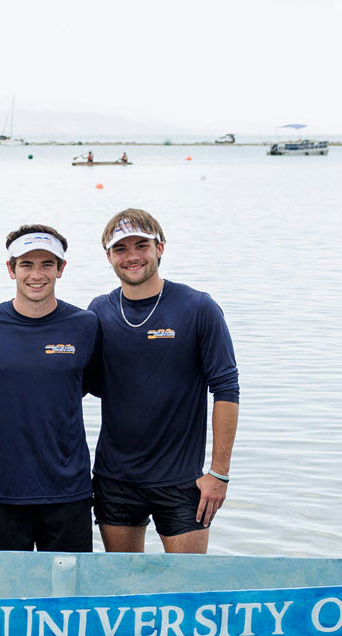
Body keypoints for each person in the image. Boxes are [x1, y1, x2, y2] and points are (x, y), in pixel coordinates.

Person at [86, 209, 240, 554]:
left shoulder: (197, 307)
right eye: (121, 249)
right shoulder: (98, 311)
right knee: (123, 589)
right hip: (115, 479)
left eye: (141, 245)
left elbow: (226, 389)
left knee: (188, 589)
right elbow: (79, 382)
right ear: (108, 256)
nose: (132, 256)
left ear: (160, 248)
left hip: (182, 480)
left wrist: (219, 473)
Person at [0, 225, 101, 552]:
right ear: (11, 269)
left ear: (61, 269)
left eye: (47, 265)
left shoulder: (85, 324)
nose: (36, 274)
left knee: (69, 597)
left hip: (69, 489)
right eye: (26, 264)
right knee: (0, 595)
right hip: (5, 488)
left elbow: (89, 386)